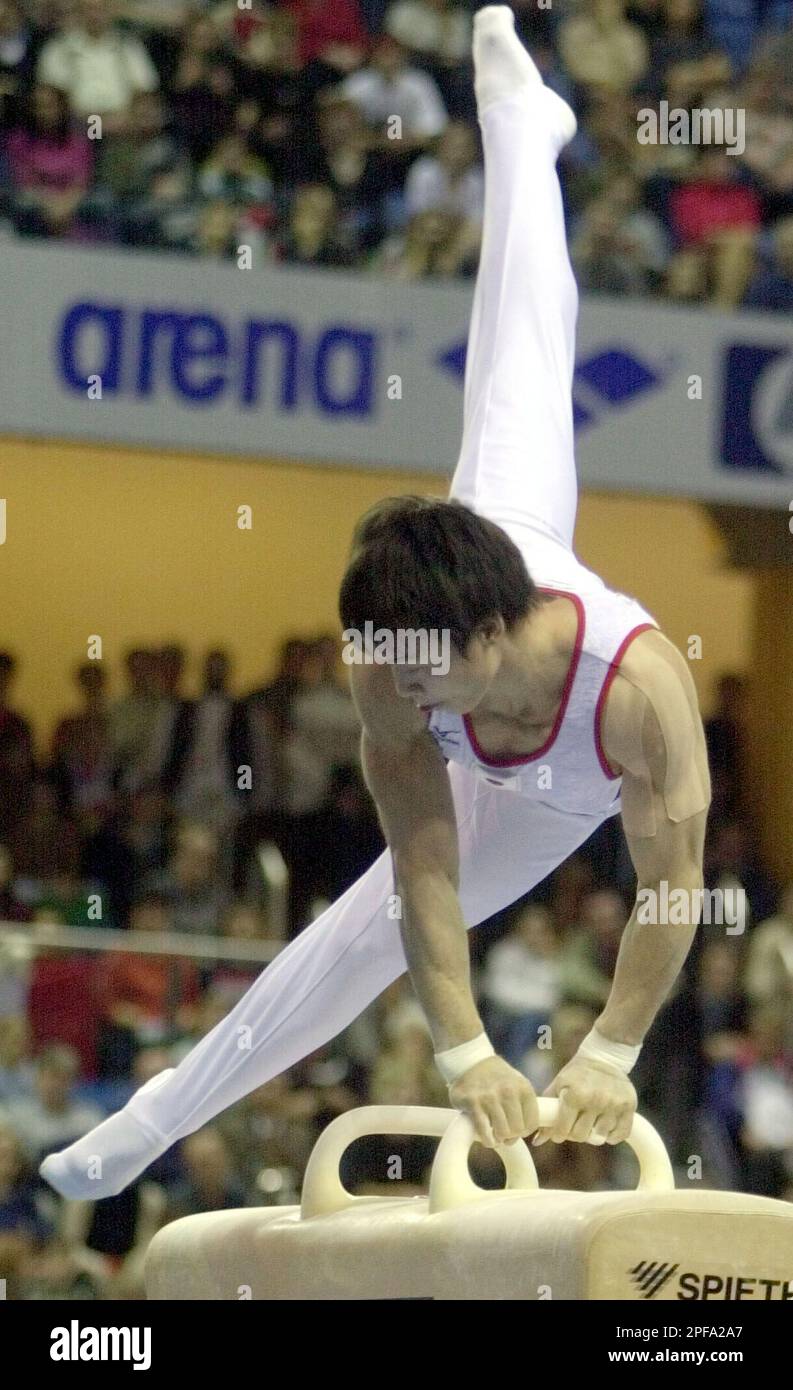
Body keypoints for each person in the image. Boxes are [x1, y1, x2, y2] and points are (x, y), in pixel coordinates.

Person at [40, 7, 712, 1202]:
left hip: (566, 785)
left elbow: (671, 883)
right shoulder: (395, 656)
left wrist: (610, 1045)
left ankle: (516, 122)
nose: (395, 687)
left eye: (419, 670)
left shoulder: (641, 694)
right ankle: (154, 1118)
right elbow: (424, 874)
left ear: (493, 638)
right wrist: (461, 1051)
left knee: (529, 332)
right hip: (497, 561)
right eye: (382, 662)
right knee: (347, 942)